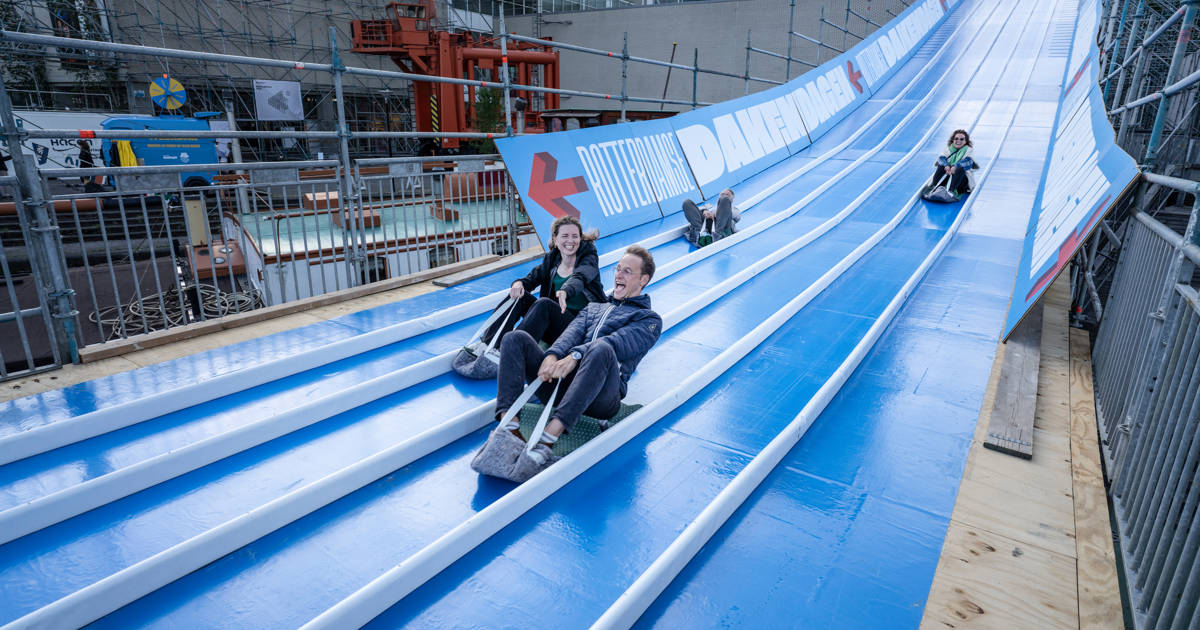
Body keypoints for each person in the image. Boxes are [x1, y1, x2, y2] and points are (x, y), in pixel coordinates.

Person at [492, 245, 662, 477]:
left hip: (602, 398)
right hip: (564, 386)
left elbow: (616, 343)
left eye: (627, 272)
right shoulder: (594, 308)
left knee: (601, 348)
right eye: (618, 269)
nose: (619, 275)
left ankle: (548, 439)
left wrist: (575, 355)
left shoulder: (648, 320)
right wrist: (552, 355)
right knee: (515, 339)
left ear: (644, 279)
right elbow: (568, 336)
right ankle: (508, 431)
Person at [483, 214, 605, 346]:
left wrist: (565, 291)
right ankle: (489, 345)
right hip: (554, 325)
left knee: (544, 304)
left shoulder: (589, 258)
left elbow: (580, 277)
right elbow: (529, 280)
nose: (570, 241)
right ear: (555, 239)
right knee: (518, 296)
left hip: (580, 326)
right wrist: (518, 284)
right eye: (565, 236)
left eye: (575, 236)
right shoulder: (552, 260)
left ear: (580, 239)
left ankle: (512, 347)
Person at [930, 129, 977, 196]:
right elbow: (941, 158)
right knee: (941, 165)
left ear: (965, 141)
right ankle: (933, 186)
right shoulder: (948, 149)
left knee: (960, 168)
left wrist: (955, 166)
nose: (958, 141)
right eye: (956, 138)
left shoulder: (968, 150)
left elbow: (968, 161)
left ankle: (951, 191)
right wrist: (946, 165)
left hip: (961, 181)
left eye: (962, 139)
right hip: (948, 176)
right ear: (953, 140)